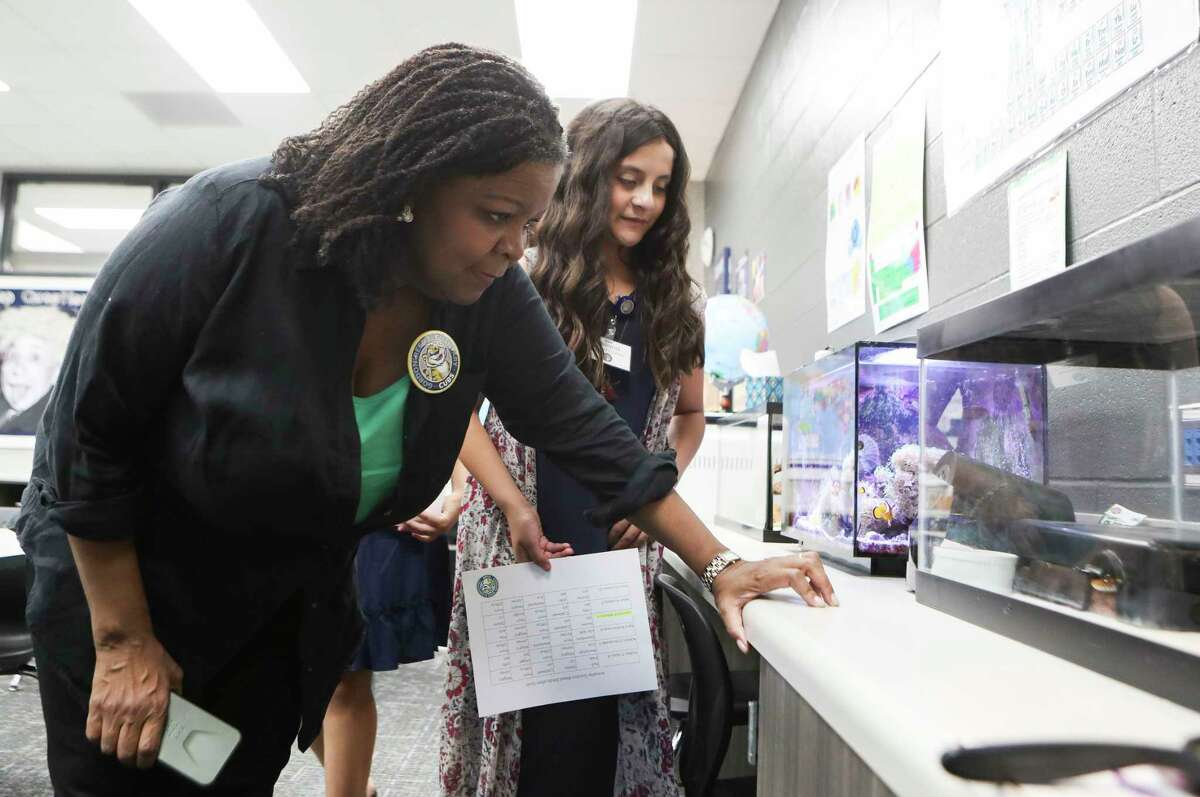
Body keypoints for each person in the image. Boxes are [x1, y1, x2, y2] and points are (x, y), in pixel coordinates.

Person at [15, 44, 837, 796]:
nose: (516, 245)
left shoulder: (485, 291)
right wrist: (123, 640)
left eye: (530, 222)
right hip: (124, 591)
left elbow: (586, 430)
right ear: (411, 185)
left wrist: (721, 559)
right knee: (132, 784)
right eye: (493, 214)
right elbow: (90, 436)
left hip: (274, 606)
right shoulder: (228, 224)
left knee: (223, 777)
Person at [440, 98, 705, 796]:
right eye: (628, 178)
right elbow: (456, 413)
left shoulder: (673, 300)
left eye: (660, 185)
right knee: (524, 748)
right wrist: (511, 502)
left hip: (616, 548)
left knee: (596, 742)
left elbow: (693, 413)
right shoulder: (520, 280)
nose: (645, 199)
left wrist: (655, 488)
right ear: (587, 177)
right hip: (519, 537)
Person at [312, 468, 467, 797]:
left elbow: (457, 419)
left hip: (382, 505)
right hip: (291, 498)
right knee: (281, 665)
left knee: (345, 676)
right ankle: (355, 785)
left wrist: (458, 489)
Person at [0, 305, 75, 435]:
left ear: (57, 371)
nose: (17, 369)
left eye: (34, 358)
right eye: (12, 356)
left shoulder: (56, 427)